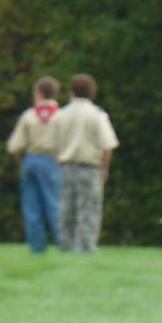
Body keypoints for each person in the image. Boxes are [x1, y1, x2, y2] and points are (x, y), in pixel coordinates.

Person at [55, 74, 119, 253]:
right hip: (91, 168)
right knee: (90, 209)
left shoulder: (62, 114)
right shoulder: (98, 115)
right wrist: (105, 167)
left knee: (66, 208)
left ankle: (65, 245)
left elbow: (53, 144)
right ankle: (87, 246)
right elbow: (108, 145)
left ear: (72, 91)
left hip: (66, 166)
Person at [4, 76, 63, 253]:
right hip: (53, 161)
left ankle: (37, 248)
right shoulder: (62, 116)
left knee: (31, 206)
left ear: (39, 94)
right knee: (55, 204)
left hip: (30, 159)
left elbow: (14, 146)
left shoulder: (28, 115)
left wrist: (22, 162)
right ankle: (62, 243)